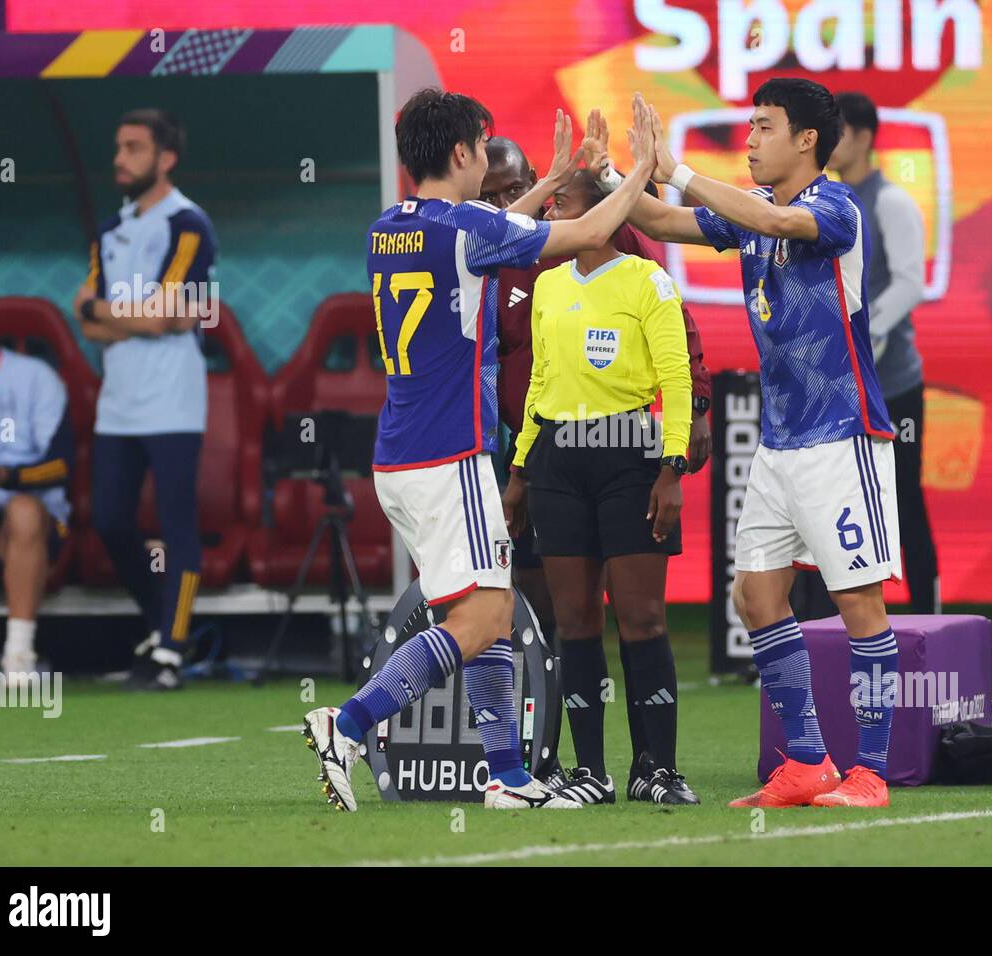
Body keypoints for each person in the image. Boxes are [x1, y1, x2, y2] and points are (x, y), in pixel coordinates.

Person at [301, 88, 658, 812]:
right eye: (481, 149)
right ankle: (349, 722)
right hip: (450, 456)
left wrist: (552, 181)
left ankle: (507, 777)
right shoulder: (468, 229)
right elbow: (586, 234)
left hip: (399, 458)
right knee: (483, 618)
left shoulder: (389, 226)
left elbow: (483, 232)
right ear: (463, 153)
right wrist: (641, 168)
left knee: (486, 608)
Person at [610, 82, 901, 808]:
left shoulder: (835, 208)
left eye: (764, 127)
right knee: (755, 594)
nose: (749, 139)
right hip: (779, 445)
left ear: (807, 140)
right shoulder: (750, 216)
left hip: (842, 435)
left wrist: (677, 167)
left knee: (858, 601)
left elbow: (770, 218)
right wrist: (619, 172)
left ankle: (872, 772)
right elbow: (658, 220)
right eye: (749, 125)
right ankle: (807, 762)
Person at [482, 135, 714, 790]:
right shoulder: (543, 281)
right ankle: (587, 771)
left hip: (629, 458)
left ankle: (659, 767)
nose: (546, 216)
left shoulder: (647, 278)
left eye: (560, 203)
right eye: (551, 207)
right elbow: (539, 385)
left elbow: (673, 364)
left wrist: (674, 458)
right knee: (571, 619)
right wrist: (522, 472)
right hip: (555, 462)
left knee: (641, 616)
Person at [72, 108, 216, 691]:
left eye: (132, 148)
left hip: (174, 401)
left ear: (165, 157)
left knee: (177, 522)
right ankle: (161, 622)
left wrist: (107, 313)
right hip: (118, 403)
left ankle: (172, 653)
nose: (119, 158)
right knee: (109, 519)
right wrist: (134, 317)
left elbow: (158, 317)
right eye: (118, 147)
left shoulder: (188, 223)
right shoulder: (110, 228)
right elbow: (88, 317)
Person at [828, 91, 939, 614]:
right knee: (836, 504)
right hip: (834, 384)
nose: (829, 142)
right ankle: (844, 617)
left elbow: (910, 283)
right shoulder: (822, 199)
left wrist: (862, 331)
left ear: (865, 136)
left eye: (839, 131)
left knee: (903, 500)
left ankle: (930, 614)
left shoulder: (889, 201)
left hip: (890, 384)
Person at [0, 288, 72, 681]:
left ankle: (19, 660)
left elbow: (61, 466)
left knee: (23, 511)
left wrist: (6, 477)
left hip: (24, 521)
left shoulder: (34, 379)